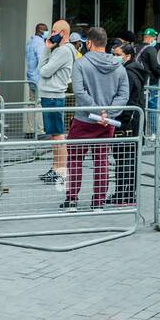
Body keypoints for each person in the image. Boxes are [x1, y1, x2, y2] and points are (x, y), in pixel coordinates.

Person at [62, 28, 128, 211]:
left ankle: (72, 199)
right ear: (105, 43)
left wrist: (97, 111)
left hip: (84, 119)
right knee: (102, 162)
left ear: (89, 43)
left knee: (75, 160)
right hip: (108, 123)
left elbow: (79, 92)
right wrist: (108, 113)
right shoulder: (119, 66)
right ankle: (98, 201)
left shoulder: (80, 64)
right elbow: (123, 94)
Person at [106, 39, 145, 206]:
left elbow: (128, 99)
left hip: (127, 121)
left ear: (128, 56)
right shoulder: (130, 70)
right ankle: (123, 193)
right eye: (112, 54)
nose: (114, 57)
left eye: (117, 55)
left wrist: (120, 119)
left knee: (125, 158)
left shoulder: (128, 73)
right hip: (130, 120)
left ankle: (125, 194)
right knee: (125, 158)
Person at [38, 20, 75, 184]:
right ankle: (56, 168)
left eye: (54, 31)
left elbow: (44, 71)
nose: (51, 34)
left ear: (63, 33)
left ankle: (60, 170)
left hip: (53, 95)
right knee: (54, 134)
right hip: (50, 94)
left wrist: (47, 49)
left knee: (58, 135)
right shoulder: (60, 49)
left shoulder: (63, 51)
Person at [26, 22, 48, 138]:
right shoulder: (40, 44)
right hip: (39, 78)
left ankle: (29, 129)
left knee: (31, 103)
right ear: (41, 31)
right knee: (39, 103)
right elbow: (42, 60)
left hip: (30, 76)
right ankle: (40, 130)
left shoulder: (30, 43)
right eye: (47, 30)